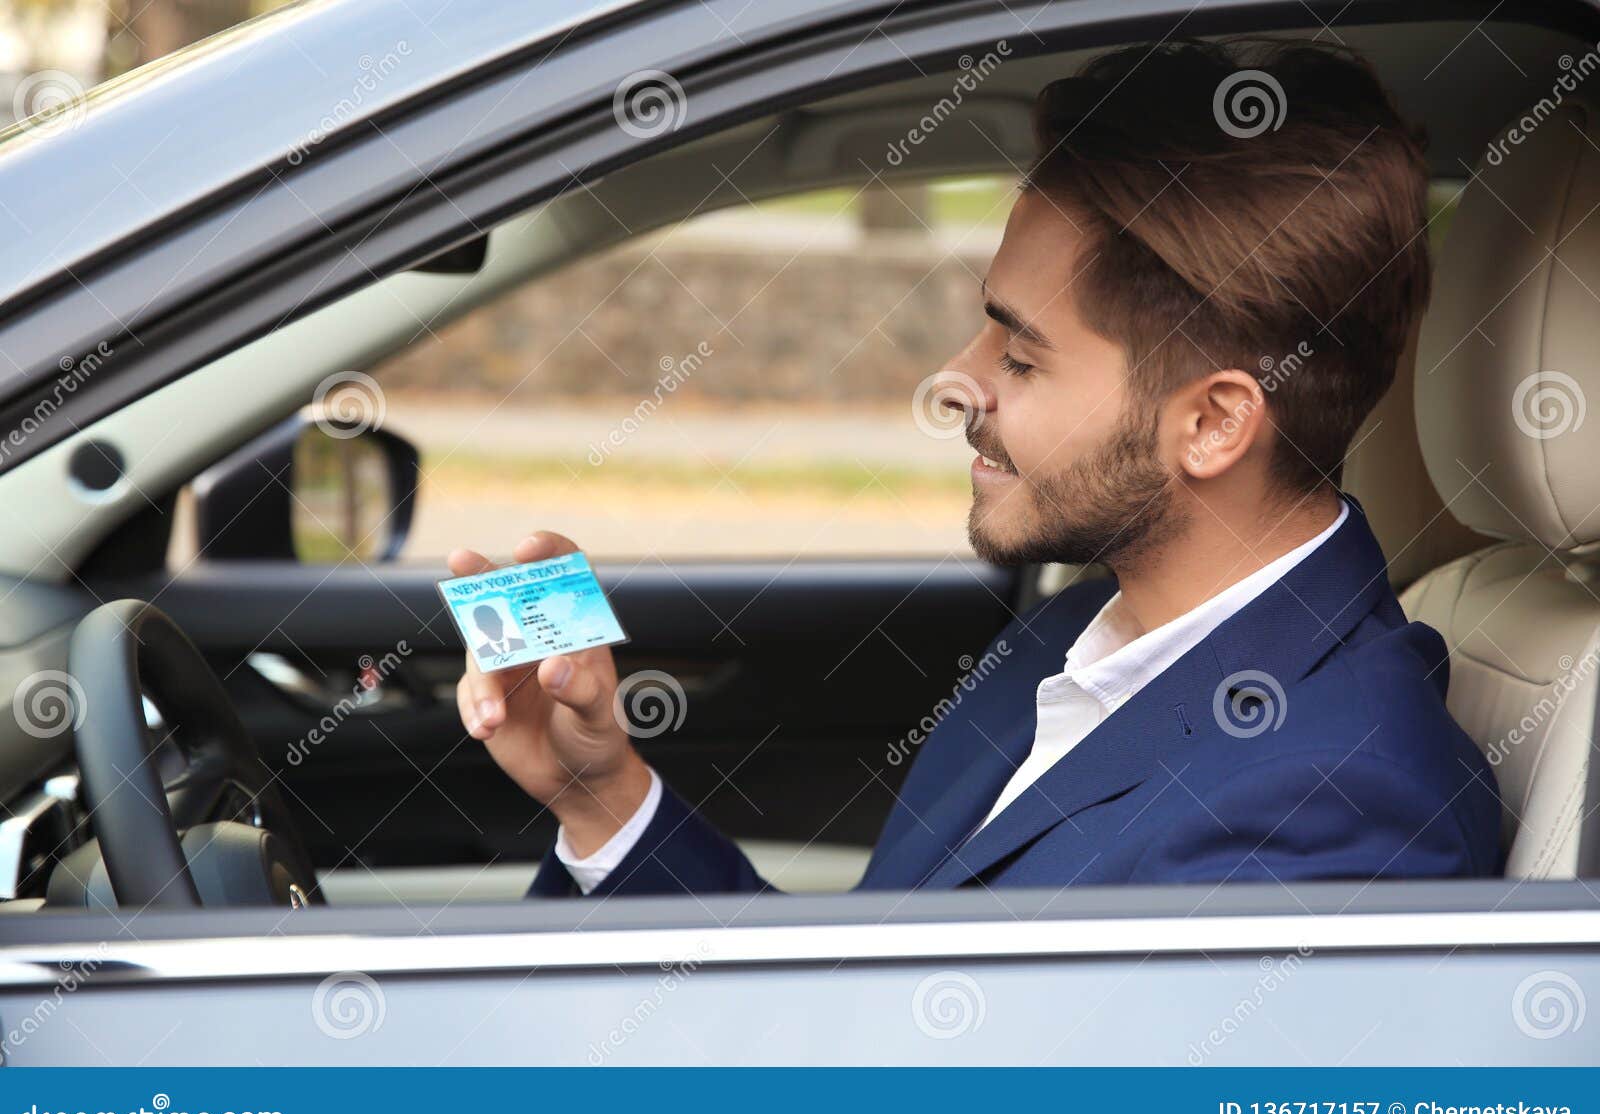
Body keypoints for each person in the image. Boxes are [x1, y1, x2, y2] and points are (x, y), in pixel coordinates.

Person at [449, 38, 1502, 897]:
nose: (956, 381)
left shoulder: (1337, 809)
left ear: (1216, 424)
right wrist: (603, 799)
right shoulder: (1065, 637)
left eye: (1021, 352)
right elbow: (856, 1029)